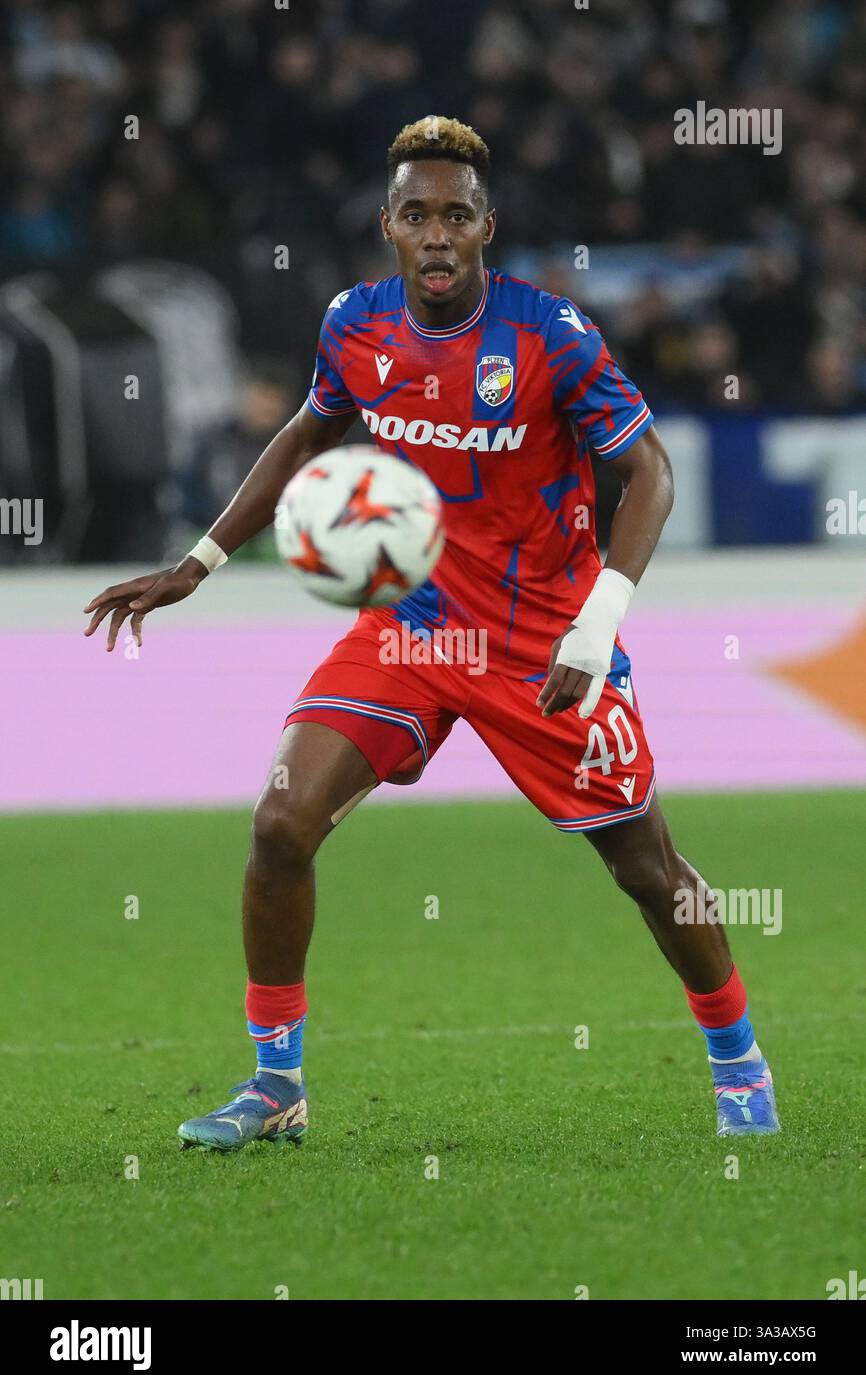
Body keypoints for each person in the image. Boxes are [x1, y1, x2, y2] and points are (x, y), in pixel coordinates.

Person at [84, 117, 780, 1150]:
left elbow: (648, 472)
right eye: (418, 214)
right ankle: (276, 1082)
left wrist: (596, 624)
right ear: (390, 227)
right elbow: (308, 428)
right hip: (413, 624)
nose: (438, 233)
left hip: (547, 642)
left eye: (457, 214)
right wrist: (200, 562)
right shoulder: (354, 326)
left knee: (645, 869)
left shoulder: (549, 334)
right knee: (279, 827)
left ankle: (737, 1063)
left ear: (485, 226)